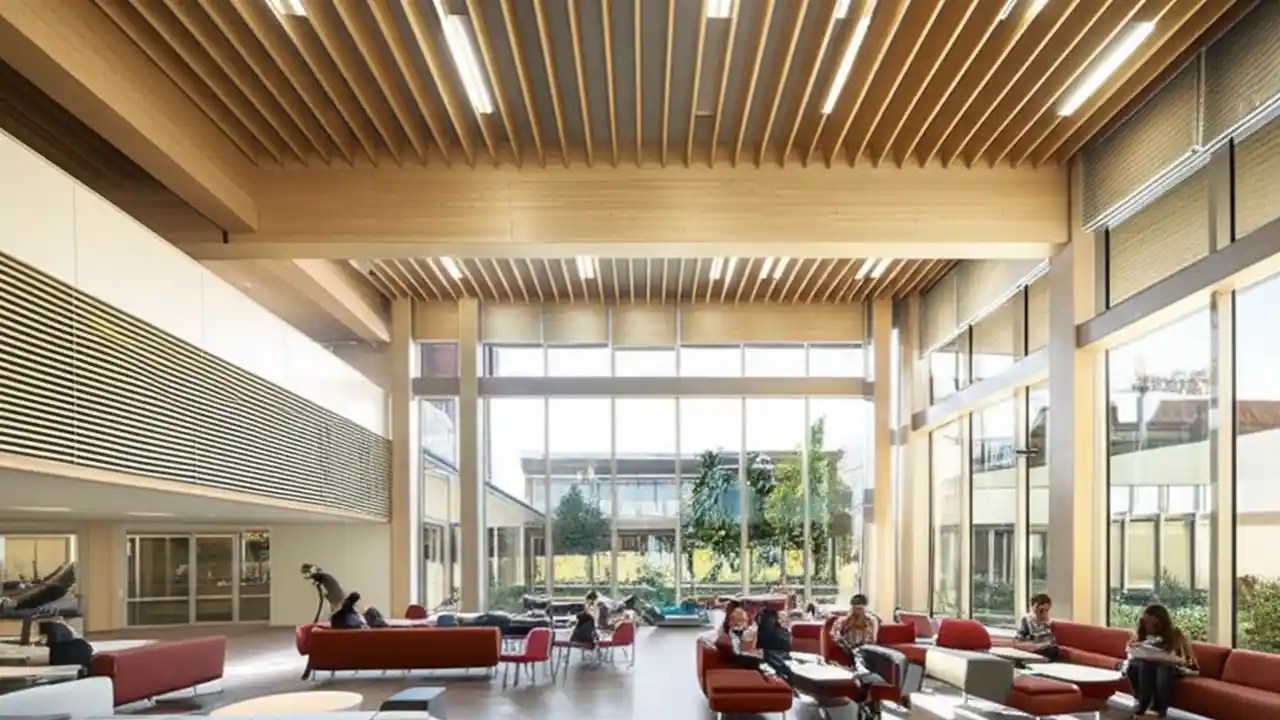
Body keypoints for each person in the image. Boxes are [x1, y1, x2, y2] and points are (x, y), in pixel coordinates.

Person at [1125, 603, 1198, 719]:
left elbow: (1184, 659)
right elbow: (1131, 651)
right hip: (1149, 664)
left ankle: (1159, 709)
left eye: (1151, 622)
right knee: (1142, 665)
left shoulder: (1174, 634)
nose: (1147, 625)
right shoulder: (1143, 633)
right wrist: (1136, 647)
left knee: (1163, 668)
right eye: (1145, 621)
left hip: (1176, 667)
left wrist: (1161, 655)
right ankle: (1144, 705)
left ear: (1160, 622)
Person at [830, 593, 879, 664]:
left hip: (865, 653)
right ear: (851, 608)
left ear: (865, 608)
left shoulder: (871, 621)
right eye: (855, 609)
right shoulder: (843, 620)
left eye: (860, 609)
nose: (857, 612)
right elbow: (834, 635)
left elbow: (873, 640)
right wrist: (844, 644)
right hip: (846, 651)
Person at [1016, 593, 1060, 661]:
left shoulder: (1048, 622)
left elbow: (1052, 639)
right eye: (1041, 610)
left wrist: (1044, 622)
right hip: (1034, 647)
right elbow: (1020, 638)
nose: (1044, 612)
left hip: (1047, 647)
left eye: (1046, 610)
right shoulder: (1026, 619)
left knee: (1054, 650)